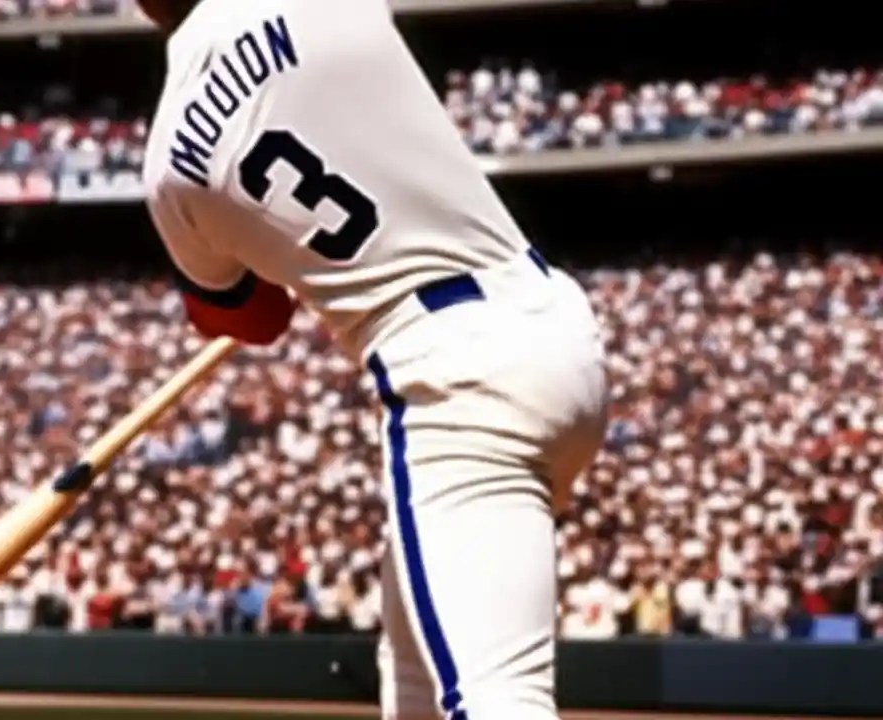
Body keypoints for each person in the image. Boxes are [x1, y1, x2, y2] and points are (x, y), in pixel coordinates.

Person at [135, 0, 608, 717]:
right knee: (413, 670)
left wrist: (275, 253)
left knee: (493, 698)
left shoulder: (167, 163)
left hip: (452, 381)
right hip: (551, 321)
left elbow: (252, 319)